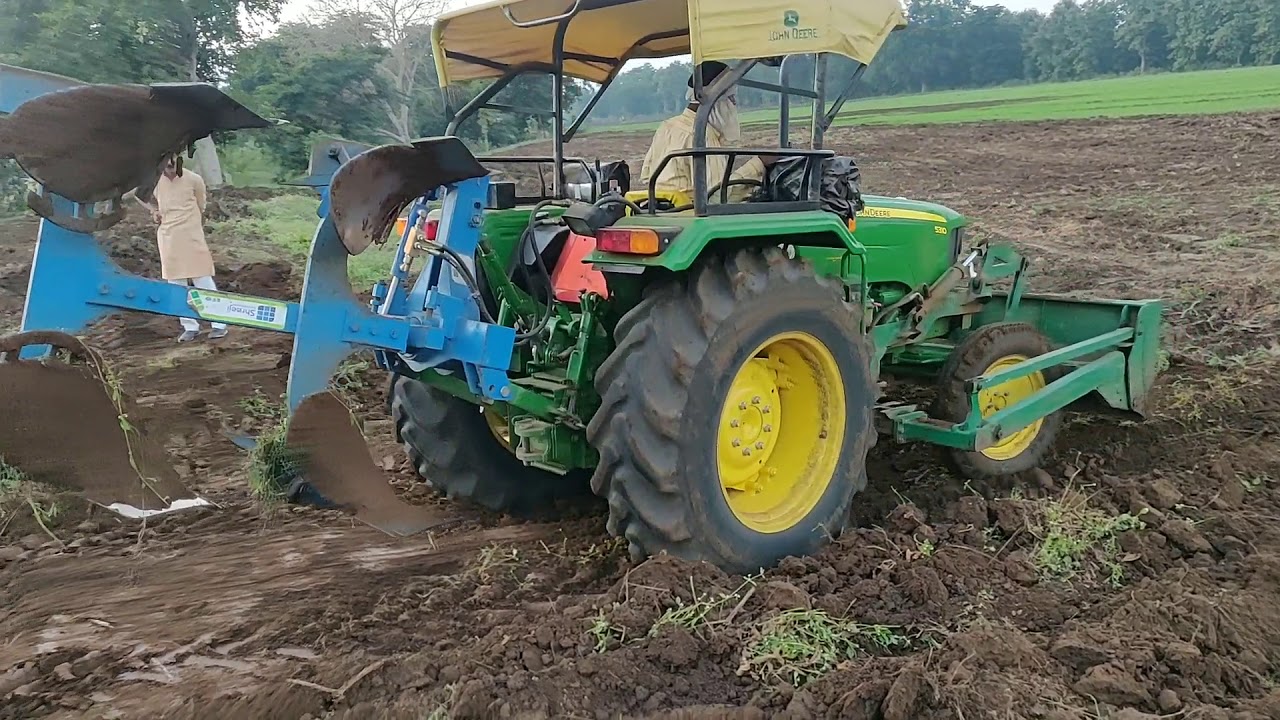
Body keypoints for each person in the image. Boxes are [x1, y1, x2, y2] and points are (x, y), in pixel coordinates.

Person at [639, 61, 777, 203]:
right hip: (688, 213)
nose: (734, 103)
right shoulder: (702, 135)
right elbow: (716, 197)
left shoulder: (666, 126)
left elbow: (646, 176)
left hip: (659, 208)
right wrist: (759, 164)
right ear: (717, 100)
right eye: (731, 97)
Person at [136, 154, 227, 342]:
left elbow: (201, 206)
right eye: (166, 167)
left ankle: (219, 324)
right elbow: (139, 194)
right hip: (168, 236)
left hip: (191, 235)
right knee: (176, 282)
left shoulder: (194, 179)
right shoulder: (155, 180)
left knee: (202, 278)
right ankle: (190, 326)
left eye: (172, 165)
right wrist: (154, 211)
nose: (169, 170)